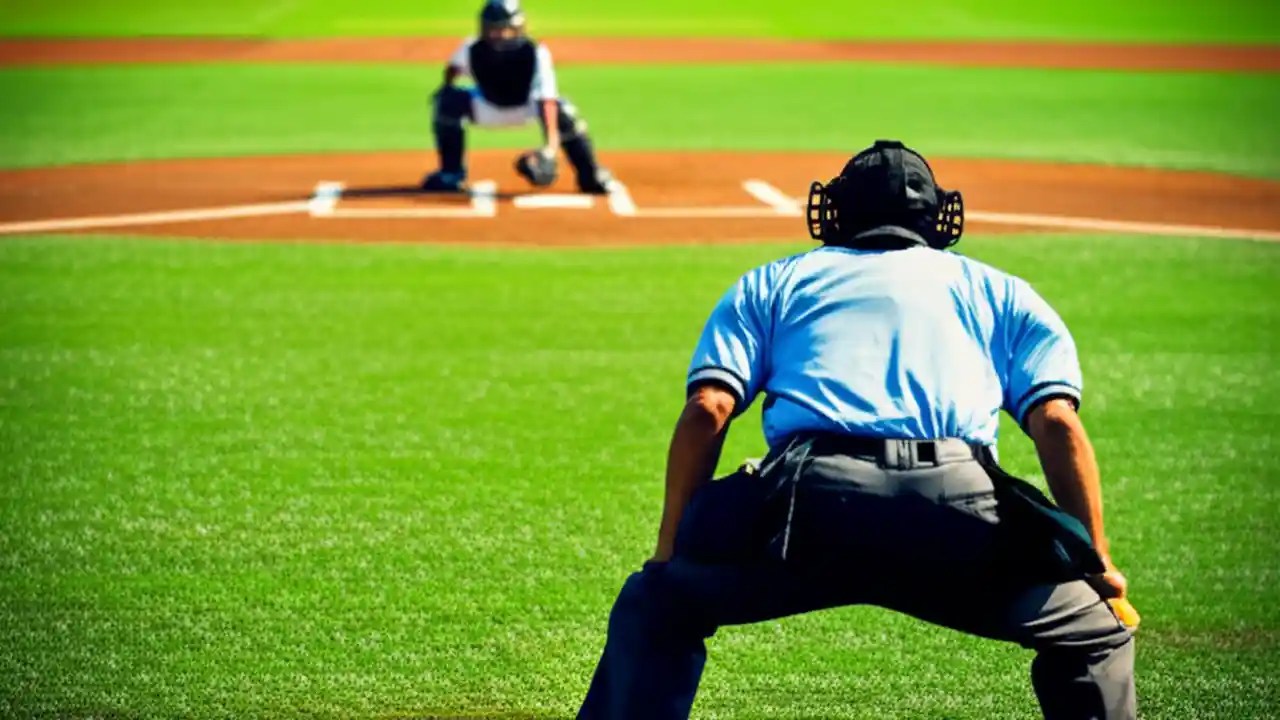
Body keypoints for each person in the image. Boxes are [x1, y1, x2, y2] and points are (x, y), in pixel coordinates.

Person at [576, 140, 1138, 719]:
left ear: (836, 210)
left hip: (809, 510)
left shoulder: (775, 282)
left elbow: (707, 410)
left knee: (657, 603)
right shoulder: (1000, 290)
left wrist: (670, 549)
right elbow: (1058, 423)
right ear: (939, 215)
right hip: (955, 513)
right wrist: (1097, 562)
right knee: (1095, 634)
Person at [420, 0, 614, 195]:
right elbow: (452, 69)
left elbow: (547, 101)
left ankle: (590, 175)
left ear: (518, 27)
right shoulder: (471, 47)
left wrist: (550, 148)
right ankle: (451, 174)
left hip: (526, 108)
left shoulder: (535, 52)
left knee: (564, 109)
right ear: (484, 28)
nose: (501, 35)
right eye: (494, 30)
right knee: (447, 101)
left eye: (507, 29)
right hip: (487, 108)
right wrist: (446, 87)